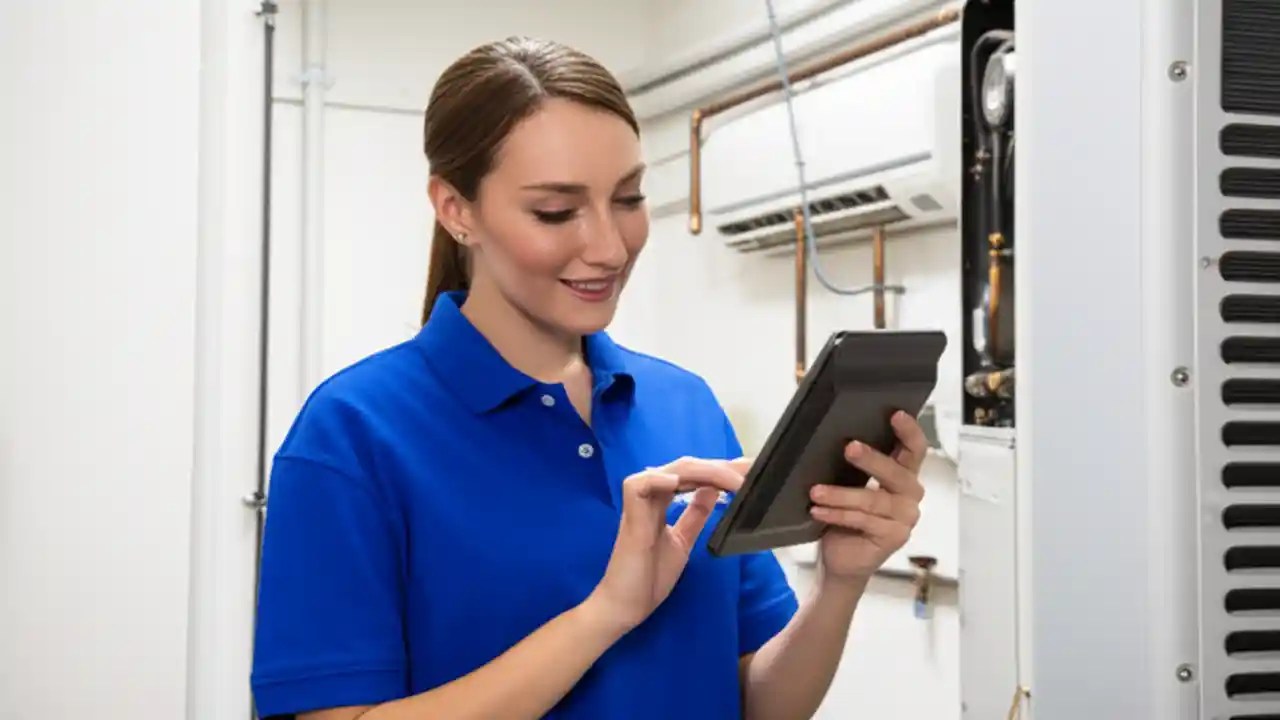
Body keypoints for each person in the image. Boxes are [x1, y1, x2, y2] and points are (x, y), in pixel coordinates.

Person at [250, 36, 928, 720]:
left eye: (628, 198)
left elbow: (758, 703)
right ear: (457, 210)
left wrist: (842, 582)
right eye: (555, 211)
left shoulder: (684, 405)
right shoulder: (353, 434)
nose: (609, 247)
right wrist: (603, 615)